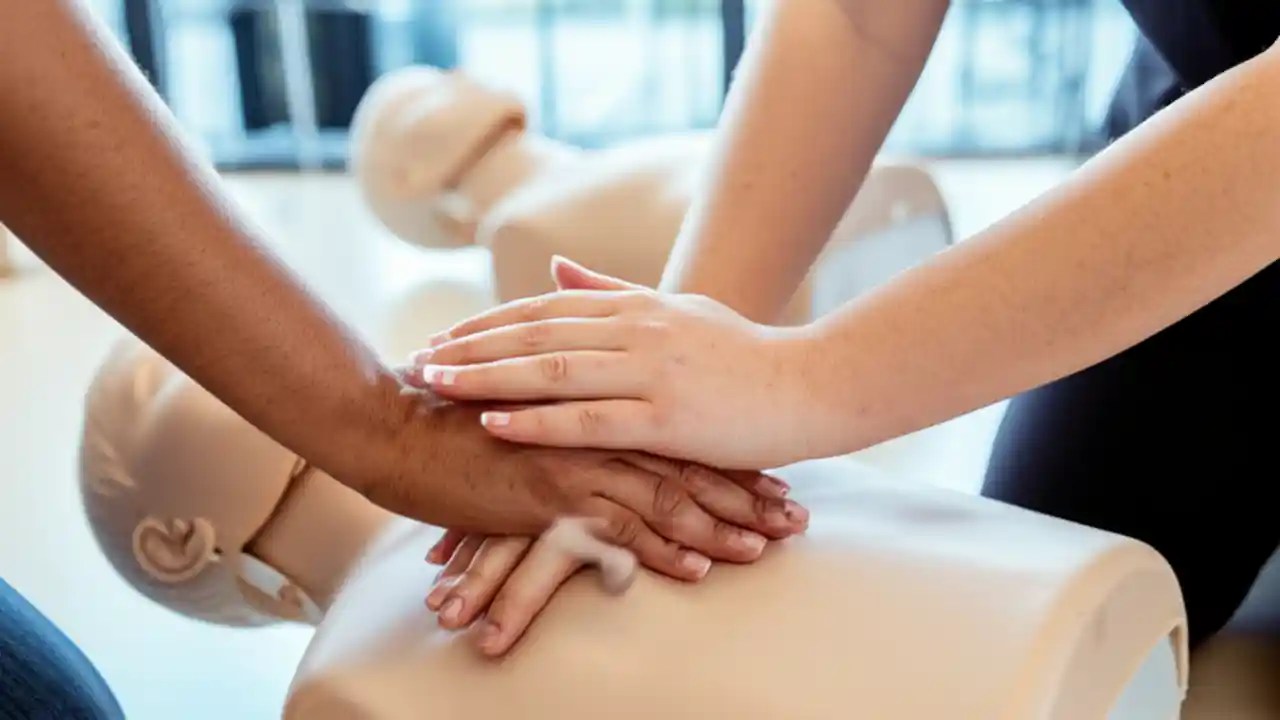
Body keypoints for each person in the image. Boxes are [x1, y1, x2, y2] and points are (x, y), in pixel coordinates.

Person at [0, 1, 807, 716]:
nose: (243, 353)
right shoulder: (349, 685)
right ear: (173, 545)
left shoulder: (350, 683)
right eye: (183, 362)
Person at [413, 0, 1280, 651]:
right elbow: (856, 16)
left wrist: (808, 382)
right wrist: (664, 409)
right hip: (1211, 111)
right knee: (1052, 615)